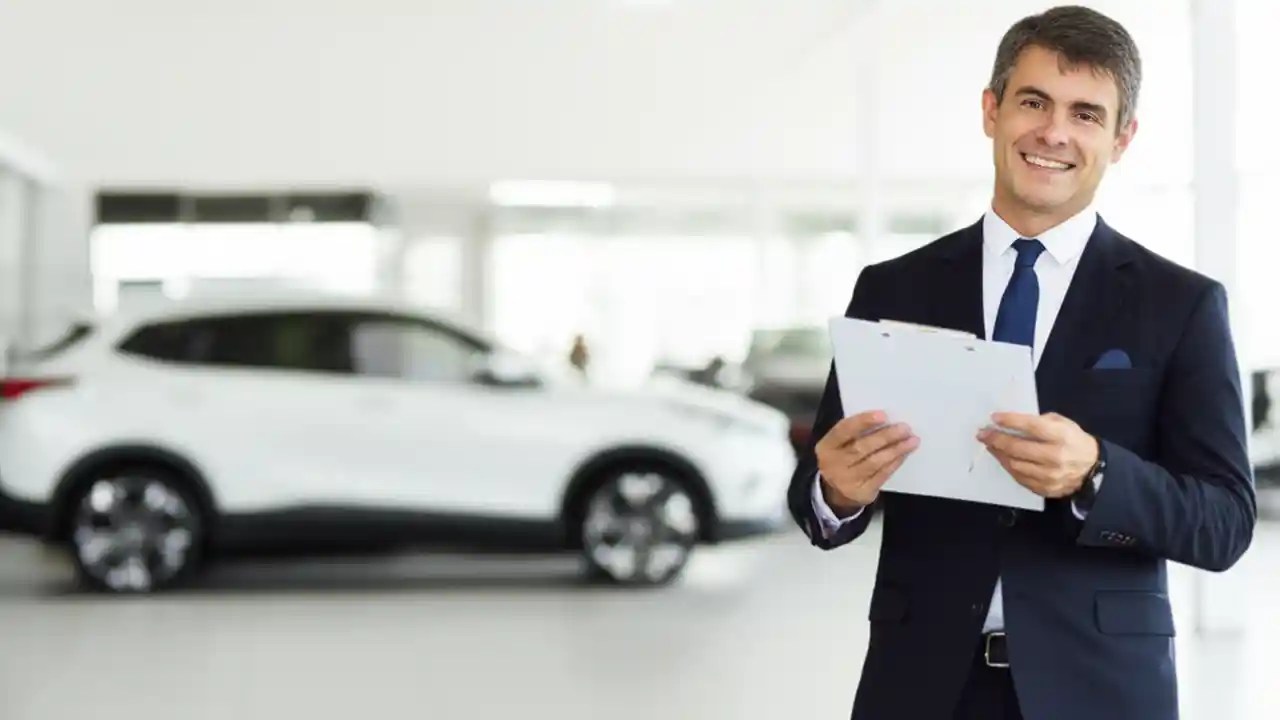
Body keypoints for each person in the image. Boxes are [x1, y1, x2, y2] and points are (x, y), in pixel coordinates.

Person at [786, 7, 1256, 720]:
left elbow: (1224, 521)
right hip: (919, 688)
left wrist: (1096, 474)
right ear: (991, 110)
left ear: (1122, 138)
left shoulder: (1180, 305)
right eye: (1033, 102)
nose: (1054, 133)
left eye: (1086, 113)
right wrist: (837, 491)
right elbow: (818, 496)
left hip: (1099, 690)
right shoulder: (893, 288)